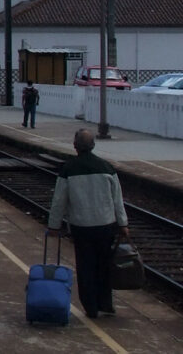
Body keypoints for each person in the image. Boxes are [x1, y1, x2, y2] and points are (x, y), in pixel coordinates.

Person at [47, 129, 129, 319]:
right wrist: (123, 223)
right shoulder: (107, 167)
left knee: (85, 266)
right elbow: (118, 199)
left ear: (75, 146)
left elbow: (59, 201)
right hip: (105, 225)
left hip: (81, 226)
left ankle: (91, 307)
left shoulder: (68, 169)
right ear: (93, 145)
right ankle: (106, 304)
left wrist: (54, 225)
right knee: (104, 264)